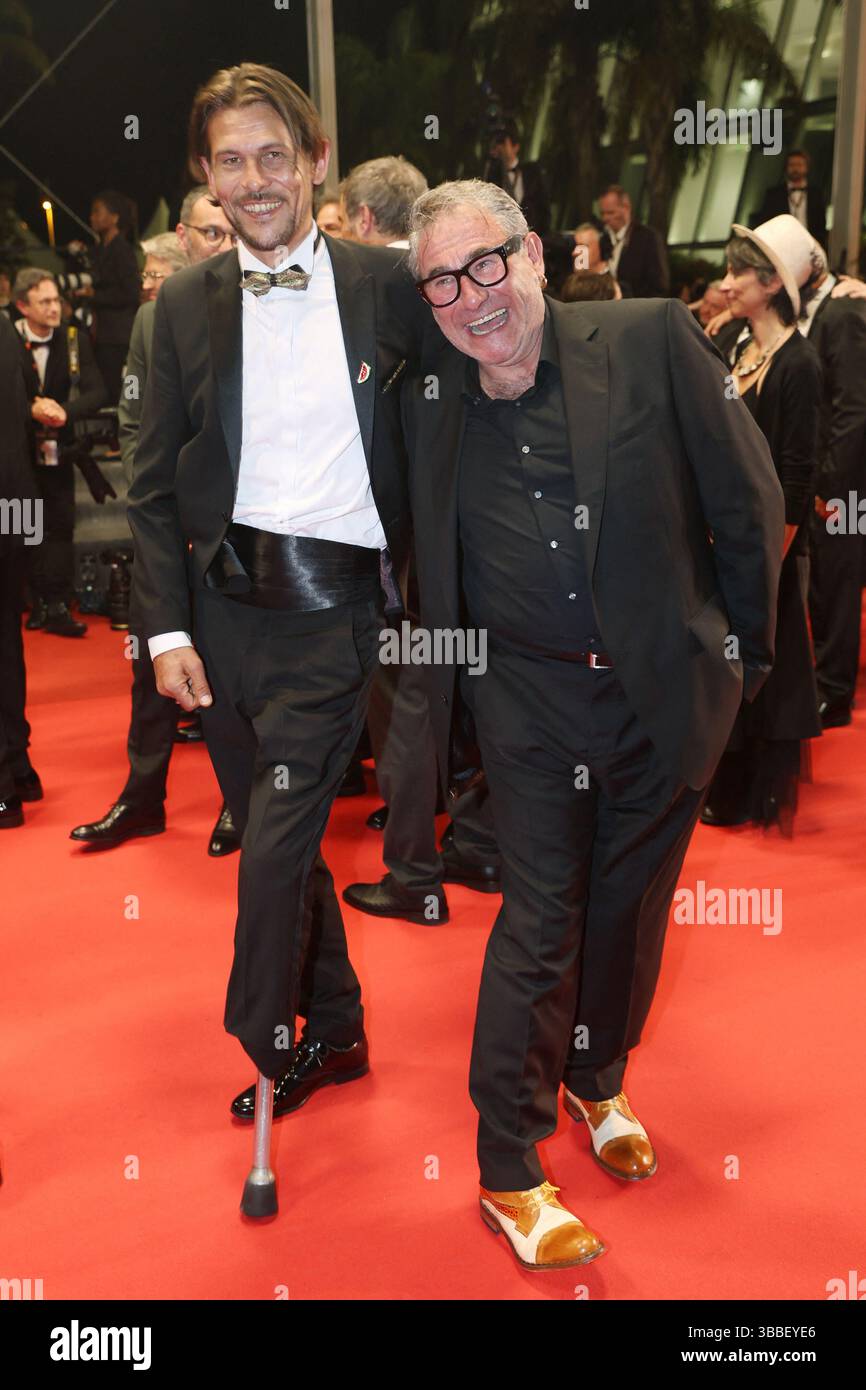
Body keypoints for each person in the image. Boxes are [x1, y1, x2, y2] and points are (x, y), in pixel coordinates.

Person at [403, 179, 783, 1270]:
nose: (470, 297)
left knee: (629, 908)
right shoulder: (425, 402)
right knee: (539, 918)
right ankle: (508, 1163)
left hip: (659, 689)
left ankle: (597, 1074)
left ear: (531, 253)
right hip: (525, 705)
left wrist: (742, 661)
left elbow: (745, 504)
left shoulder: (651, 339)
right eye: (440, 280)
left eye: (484, 264)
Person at [126, 63, 426, 1118]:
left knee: (273, 848)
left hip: (333, 619)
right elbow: (152, 486)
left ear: (314, 163)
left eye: (272, 156)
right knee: (279, 844)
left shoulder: (389, 286)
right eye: (230, 160)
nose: (254, 180)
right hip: (218, 622)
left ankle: (265, 1033)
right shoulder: (181, 307)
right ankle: (337, 1030)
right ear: (205, 175)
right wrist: (163, 629)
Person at [71, 190, 241, 855]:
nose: (221, 245)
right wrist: (161, 504)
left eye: (230, 234)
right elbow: (136, 424)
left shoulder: (260, 312)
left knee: (228, 669)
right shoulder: (154, 318)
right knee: (150, 659)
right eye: (210, 232)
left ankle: (237, 800)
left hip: (235, 529)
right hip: (167, 522)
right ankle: (143, 797)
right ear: (184, 236)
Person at [702, 216, 822, 833]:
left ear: (772, 283)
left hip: (769, 549)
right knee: (724, 665)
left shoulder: (798, 364)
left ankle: (750, 788)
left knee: (762, 666)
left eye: (737, 274)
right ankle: (722, 779)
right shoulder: (734, 347)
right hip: (723, 542)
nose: (726, 285)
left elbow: (799, 477)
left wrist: (770, 558)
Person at [13, 267, 107, 637]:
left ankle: (56, 604)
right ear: (23, 306)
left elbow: (100, 392)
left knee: (60, 525)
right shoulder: (6, 337)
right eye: (45, 301)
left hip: (60, 450)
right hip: (17, 452)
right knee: (22, 525)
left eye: (57, 300)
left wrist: (66, 411)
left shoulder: (73, 338)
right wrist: (30, 409)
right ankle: (29, 601)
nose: (55, 308)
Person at [0, 311, 41, 826]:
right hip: (16, 504)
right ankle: (20, 767)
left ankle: (5, 785)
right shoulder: (7, 327)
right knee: (7, 637)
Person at [67, 191, 140, 399]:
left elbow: (130, 292)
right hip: (101, 332)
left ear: (114, 217)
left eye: (98, 212)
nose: (92, 217)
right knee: (105, 385)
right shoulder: (99, 249)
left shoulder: (122, 250)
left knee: (118, 388)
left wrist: (94, 295)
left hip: (118, 334)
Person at [340, 155, 427, 248]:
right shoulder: (436, 260)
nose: (341, 233)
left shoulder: (369, 262)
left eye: (342, 220)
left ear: (364, 220)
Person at [597, 185, 669, 298]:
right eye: (602, 213)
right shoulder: (602, 238)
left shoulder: (648, 238)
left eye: (610, 213)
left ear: (626, 208)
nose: (605, 218)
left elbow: (659, 285)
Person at [483, 119, 550, 237]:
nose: (501, 147)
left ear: (515, 147)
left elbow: (543, 207)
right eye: (499, 143)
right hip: (505, 235)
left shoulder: (532, 172)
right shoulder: (493, 175)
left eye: (504, 143)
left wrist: (543, 236)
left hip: (531, 233)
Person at [755, 150, 827, 247]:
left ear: (807, 167)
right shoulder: (774, 194)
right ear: (786, 168)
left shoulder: (816, 194)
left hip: (810, 245)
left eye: (799, 165)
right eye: (792, 165)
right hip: (781, 245)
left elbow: (821, 224)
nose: (795, 168)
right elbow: (767, 222)